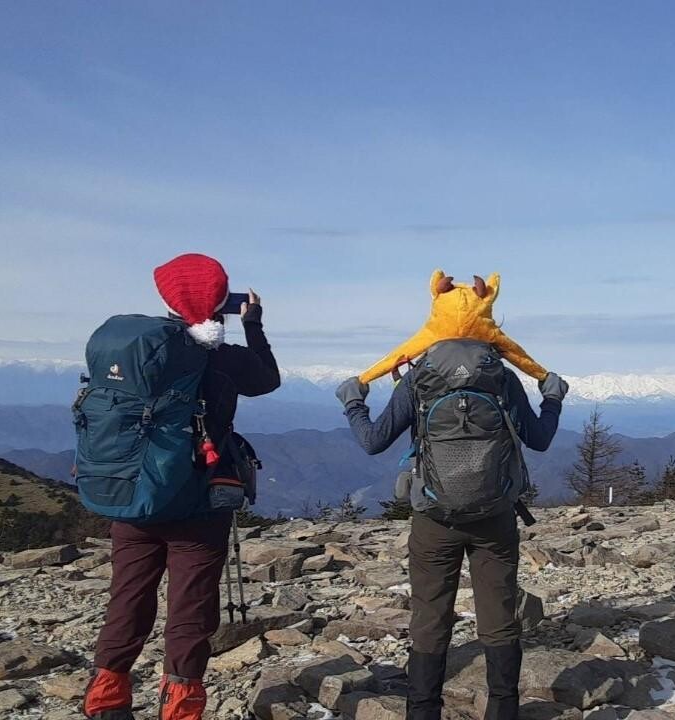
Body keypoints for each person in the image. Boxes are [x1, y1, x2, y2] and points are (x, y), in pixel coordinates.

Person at [82, 253, 281, 720]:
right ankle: (181, 705)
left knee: (128, 595)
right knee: (191, 606)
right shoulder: (220, 358)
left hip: (132, 495)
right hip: (197, 503)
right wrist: (254, 325)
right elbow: (267, 379)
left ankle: (107, 695)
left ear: (168, 297)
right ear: (220, 301)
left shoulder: (139, 355)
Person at [336, 353, 568, 720]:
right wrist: (552, 398)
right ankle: (503, 711)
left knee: (429, 620)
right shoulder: (501, 376)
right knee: (499, 618)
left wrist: (353, 402)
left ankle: (424, 713)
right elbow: (538, 439)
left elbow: (373, 441)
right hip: (494, 517)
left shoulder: (420, 378)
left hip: (433, 520)